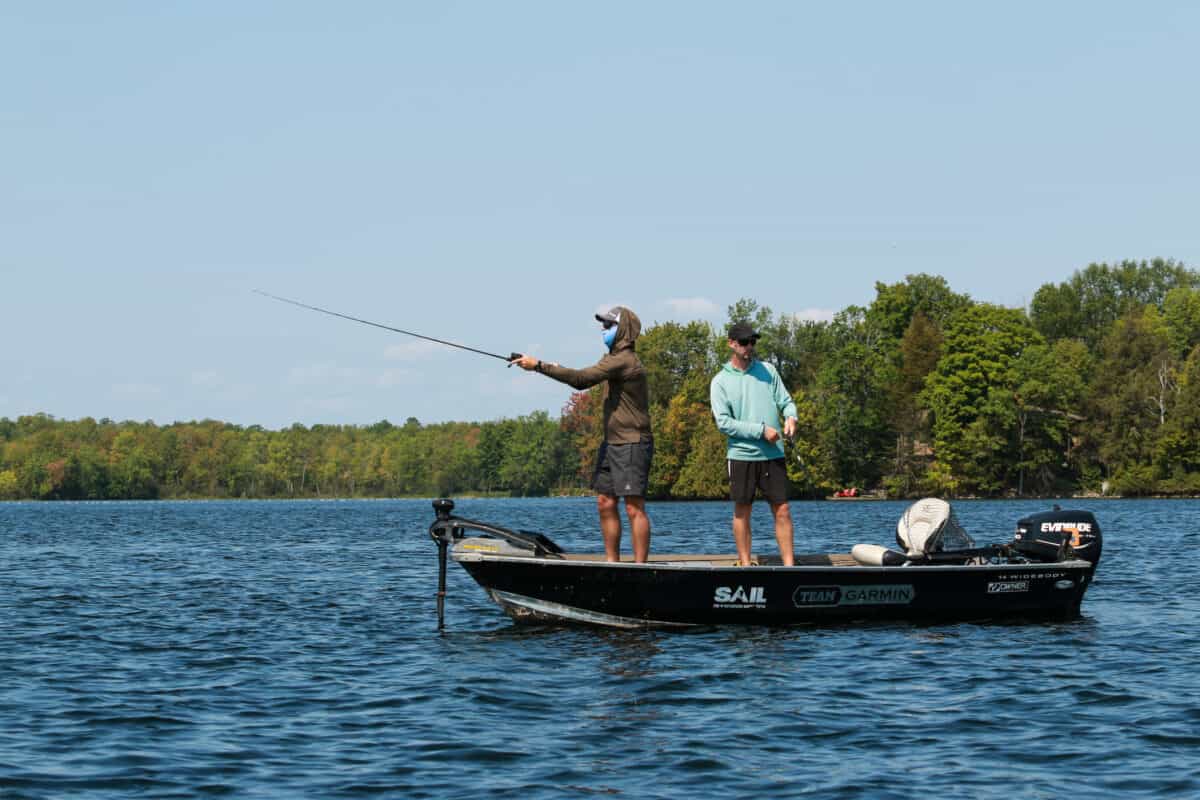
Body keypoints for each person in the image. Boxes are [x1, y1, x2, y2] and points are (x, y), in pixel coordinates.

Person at [512, 307, 653, 563]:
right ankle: (613, 562)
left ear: (623, 331)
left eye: (609, 325)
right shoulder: (612, 359)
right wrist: (552, 367)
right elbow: (583, 373)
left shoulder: (624, 360)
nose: (604, 329)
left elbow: (581, 380)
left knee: (634, 508)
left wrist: (539, 366)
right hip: (612, 443)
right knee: (605, 502)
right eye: (604, 325)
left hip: (633, 443)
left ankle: (640, 566)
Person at [710, 322, 798, 566]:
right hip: (741, 455)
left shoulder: (768, 370)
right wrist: (761, 431)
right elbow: (724, 423)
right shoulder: (720, 381)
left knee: (782, 510)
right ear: (731, 343)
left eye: (753, 342)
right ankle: (745, 564)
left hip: (773, 454)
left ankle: (790, 566)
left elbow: (786, 401)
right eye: (744, 342)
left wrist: (791, 416)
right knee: (742, 511)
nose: (750, 347)